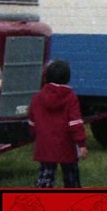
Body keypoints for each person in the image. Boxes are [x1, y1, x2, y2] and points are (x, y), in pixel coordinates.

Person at [28, 59, 86, 188]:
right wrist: (81, 143)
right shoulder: (70, 97)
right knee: (71, 176)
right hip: (66, 143)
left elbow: (32, 121)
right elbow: (75, 123)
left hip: (45, 142)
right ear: (67, 77)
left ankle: (42, 203)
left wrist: (34, 135)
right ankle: (73, 203)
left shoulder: (37, 97)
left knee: (45, 175)